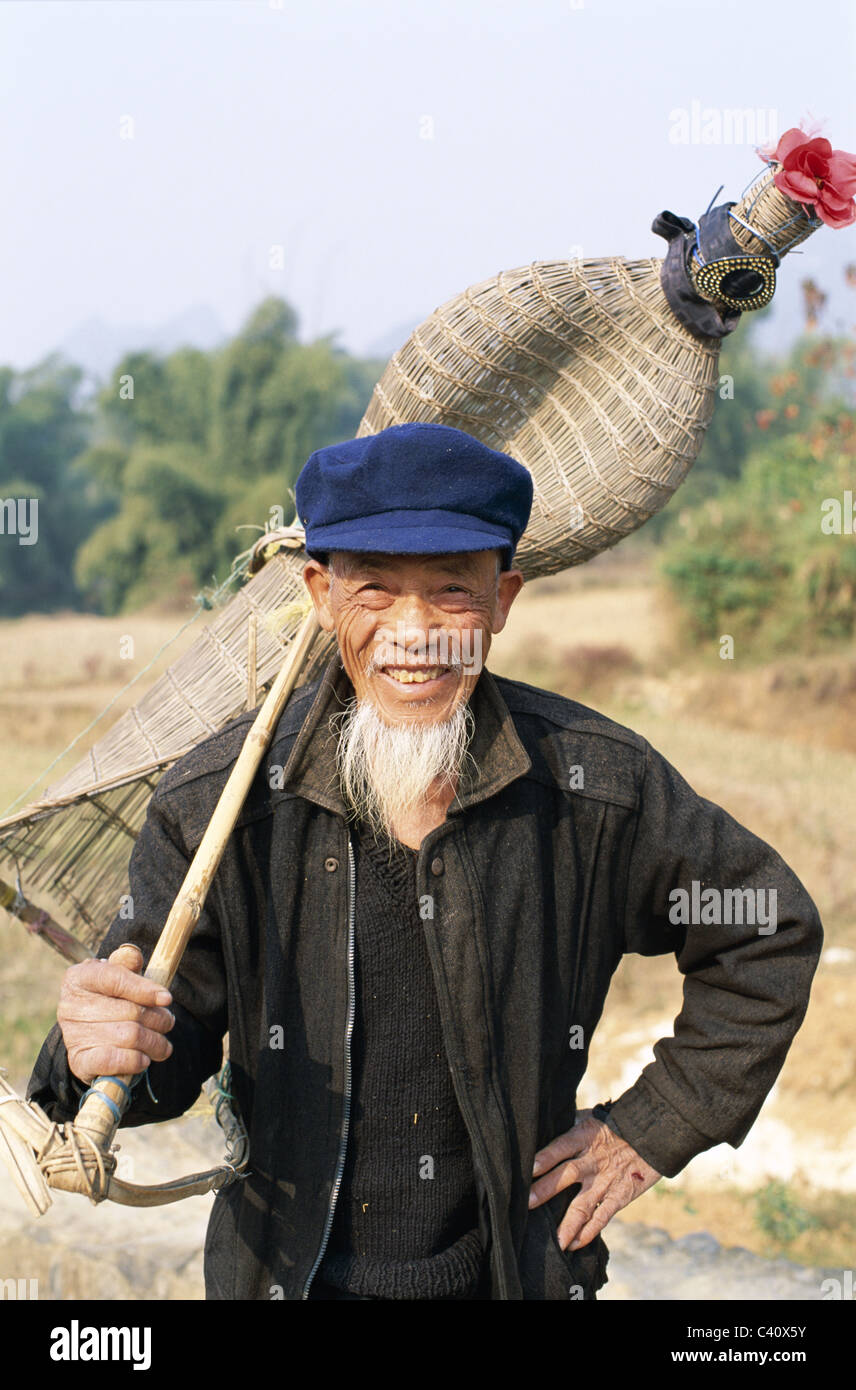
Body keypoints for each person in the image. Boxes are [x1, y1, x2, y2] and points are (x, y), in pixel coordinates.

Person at [28, 422, 823, 1300]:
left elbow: (765, 930)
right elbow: (154, 1072)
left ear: (504, 600)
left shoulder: (593, 786)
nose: (417, 635)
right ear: (322, 595)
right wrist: (95, 1047)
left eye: (452, 592)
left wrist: (650, 1127)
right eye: (374, 589)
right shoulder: (223, 805)